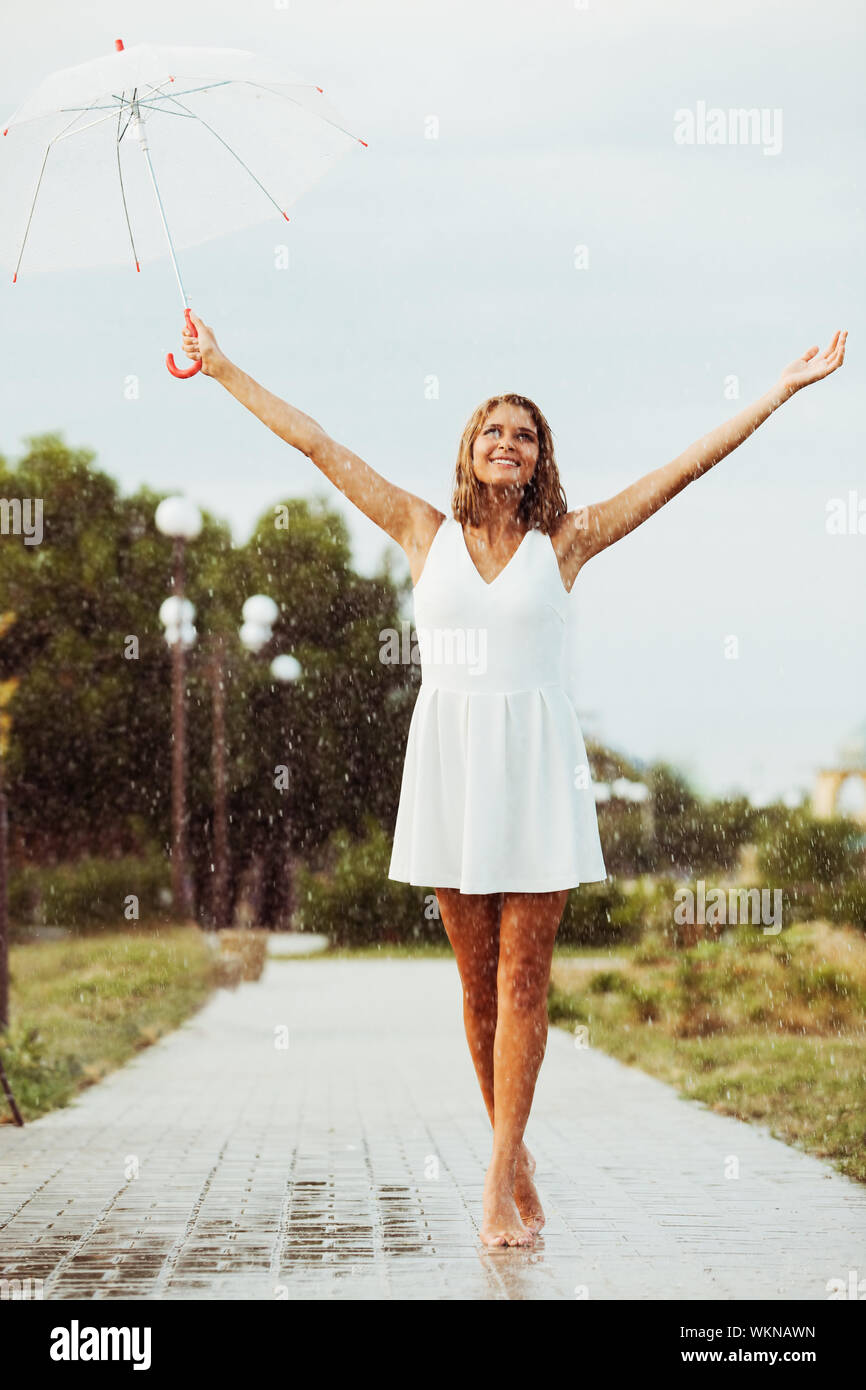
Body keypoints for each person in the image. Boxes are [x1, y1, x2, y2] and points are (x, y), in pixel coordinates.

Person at [180, 316, 847, 1246]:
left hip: (537, 769)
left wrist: (779, 391)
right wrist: (219, 366)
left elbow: (683, 468)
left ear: (539, 460)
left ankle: (496, 1176)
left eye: (524, 434)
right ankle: (517, 1154)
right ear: (470, 449)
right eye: (492, 429)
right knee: (475, 986)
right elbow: (317, 442)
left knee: (526, 982)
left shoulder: (567, 542)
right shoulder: (422, 529)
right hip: (451, 762)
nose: (507, 442)